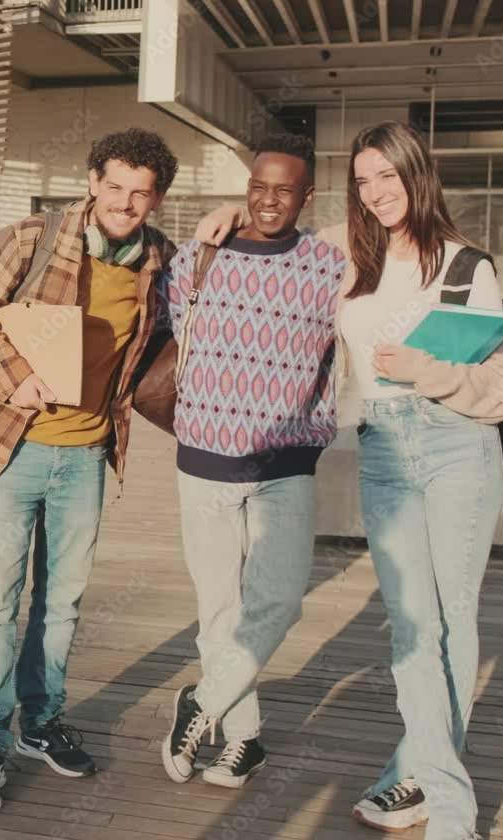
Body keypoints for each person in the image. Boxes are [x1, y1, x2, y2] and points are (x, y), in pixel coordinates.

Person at [197, 121, 503, 840]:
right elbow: (273, 232)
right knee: (413, 627)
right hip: (383, 448)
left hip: (453, 446)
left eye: (388, 175)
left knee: (451, 621)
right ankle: (420, 778)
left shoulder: (466, 264)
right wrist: (222, 217)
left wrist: (426, 372)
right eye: (363, 179)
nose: (376, 192)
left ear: (418, 174)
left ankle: (444, 807)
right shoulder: (350, 259)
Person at [0, 128, 177, 810]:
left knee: (62, 603)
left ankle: (41, 721)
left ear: (155, 199)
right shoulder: (28, 238)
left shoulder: (158, 260)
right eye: (114, 186)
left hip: (86, 454)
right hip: (9, 446)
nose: (124, 202)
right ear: (92, 181)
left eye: (140, 193)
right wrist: (12, 377)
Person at [158, 133, 345, 789]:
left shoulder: (329, 266)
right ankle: (244, 739)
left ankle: (200, 704)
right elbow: (171, 327)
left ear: (306, 197)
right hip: (203, 459)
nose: (268, 200)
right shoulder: (199, 256)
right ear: (246, 191)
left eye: (283, 190)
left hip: (284, 465)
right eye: (257, 188)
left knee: (278, 601)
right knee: (218, 609)